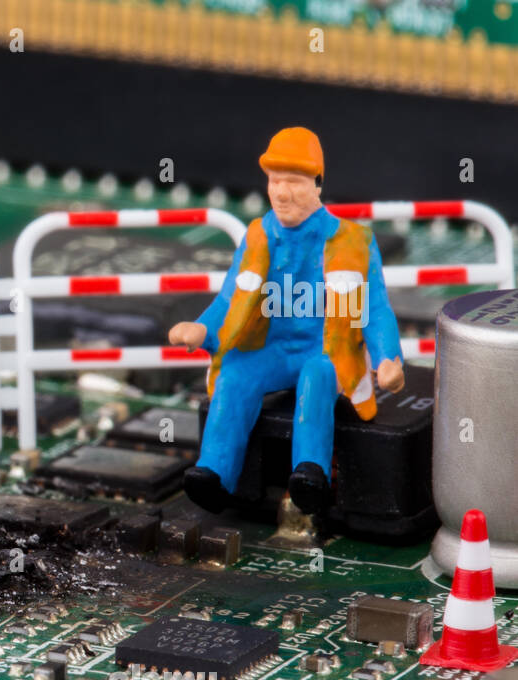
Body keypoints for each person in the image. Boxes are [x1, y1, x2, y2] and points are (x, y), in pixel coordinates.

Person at [168, 126, 405, 515]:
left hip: (326, 351)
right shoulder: (258, 236)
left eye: (293, 182)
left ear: (317, 185)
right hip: (271, 350)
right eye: (274, 181)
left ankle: (310, 474)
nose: (281, 192)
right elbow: (231, 296)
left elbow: (375, 309)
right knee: (235, 374)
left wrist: (387, 358)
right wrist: (203, 328)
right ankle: (214, 472)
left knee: (316, 378)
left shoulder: (352, 241)